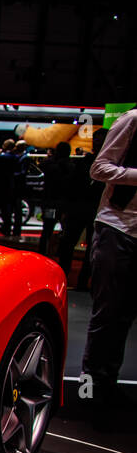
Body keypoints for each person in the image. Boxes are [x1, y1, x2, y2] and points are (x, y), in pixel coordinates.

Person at [80, 109, 137, 422]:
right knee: (108, 313)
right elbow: (99, 168)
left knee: (125, 316)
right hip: (118, 227)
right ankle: (90, 390)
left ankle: (108, 385)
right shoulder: (132, 120)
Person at [58, 127, 106, 289]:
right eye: (96, 141)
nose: (97, 145)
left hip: (97, 211)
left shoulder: (110, 164)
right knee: (67, 243)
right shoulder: (83, 162)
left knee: (92, 248)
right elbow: (71, 186)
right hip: (78, 209)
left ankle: (83, 281)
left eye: (100, 142)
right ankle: (63, 276)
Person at [37, 142, 72, 253]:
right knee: (64, 229)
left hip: (51, 202)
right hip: (62, 202)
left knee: (47, 229)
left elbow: (42, 166)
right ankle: (59, 251)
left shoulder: (50, 164)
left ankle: (43, 252)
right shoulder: (69, 165)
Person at [0, 139, 23, 239]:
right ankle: (7, 231)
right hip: (8, 188)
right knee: (7, 212)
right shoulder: (15, 158)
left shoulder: (0, 157)